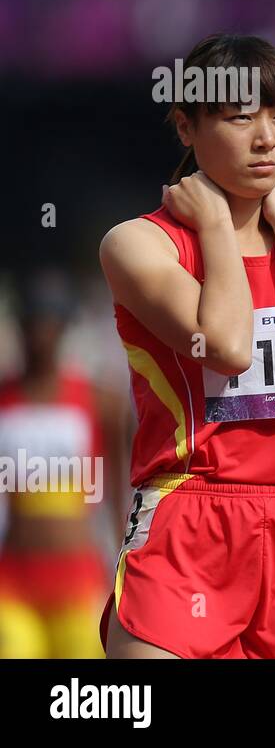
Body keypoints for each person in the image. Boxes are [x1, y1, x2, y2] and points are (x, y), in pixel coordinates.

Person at [96, 33, 275, 658]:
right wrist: (218, 228)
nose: (266, 139)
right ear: (185, 127)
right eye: (239, 118)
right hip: (190, 519)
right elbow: (225, 344)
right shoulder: (140, 245)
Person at [0, 269, 126, 658]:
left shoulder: (99, 401)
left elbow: (118, 490)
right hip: (14, 583)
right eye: (32, 324)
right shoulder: (4, 399)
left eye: (49, 324)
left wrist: (127, 564)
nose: (40, 335)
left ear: (64, 329)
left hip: (79, 582)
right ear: (19, 326)